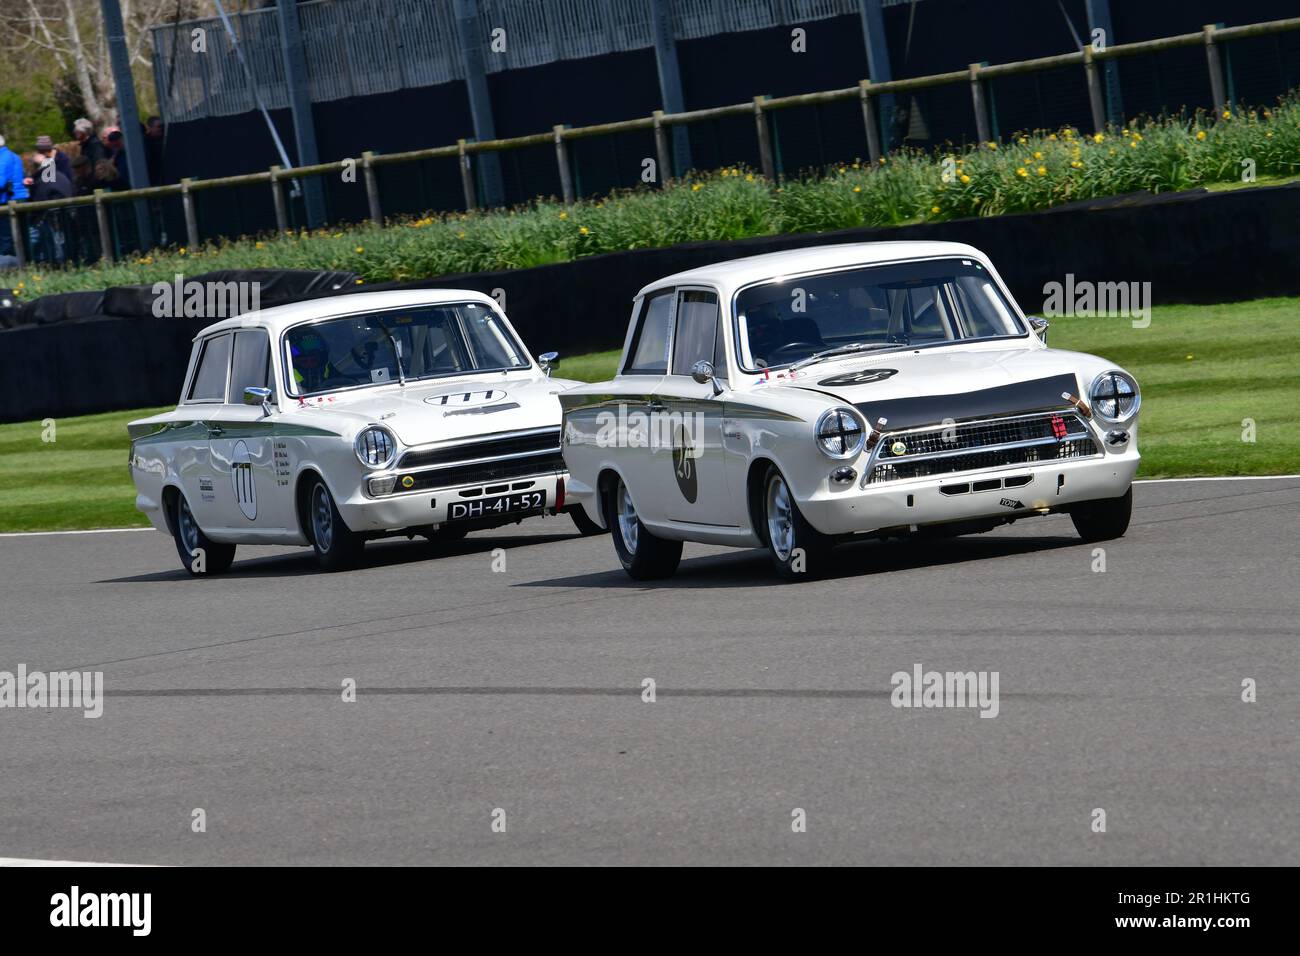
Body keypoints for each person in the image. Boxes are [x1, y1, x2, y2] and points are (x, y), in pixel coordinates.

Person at [0, 133, 29, 258]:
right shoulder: (14, 156)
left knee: (7, 238)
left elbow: (1, 182)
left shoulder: (3, 158)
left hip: (7, 201)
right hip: (18, 199)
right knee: (21, 236)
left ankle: (10, 270)